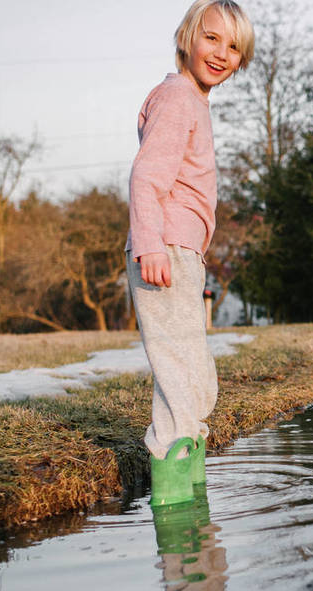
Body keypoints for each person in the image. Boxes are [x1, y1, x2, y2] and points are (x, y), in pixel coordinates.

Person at [125, 0, 254, 506]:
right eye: (213, 38)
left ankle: (189, 488)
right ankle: (178, 515)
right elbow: (147, 176)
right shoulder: (179, 95)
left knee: (195, 379)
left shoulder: (193, 101)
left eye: (235, 47)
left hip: (182, 253)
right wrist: (153, 245)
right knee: (182, 378)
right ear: (187, 37)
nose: (222, 54)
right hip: (165, 251)